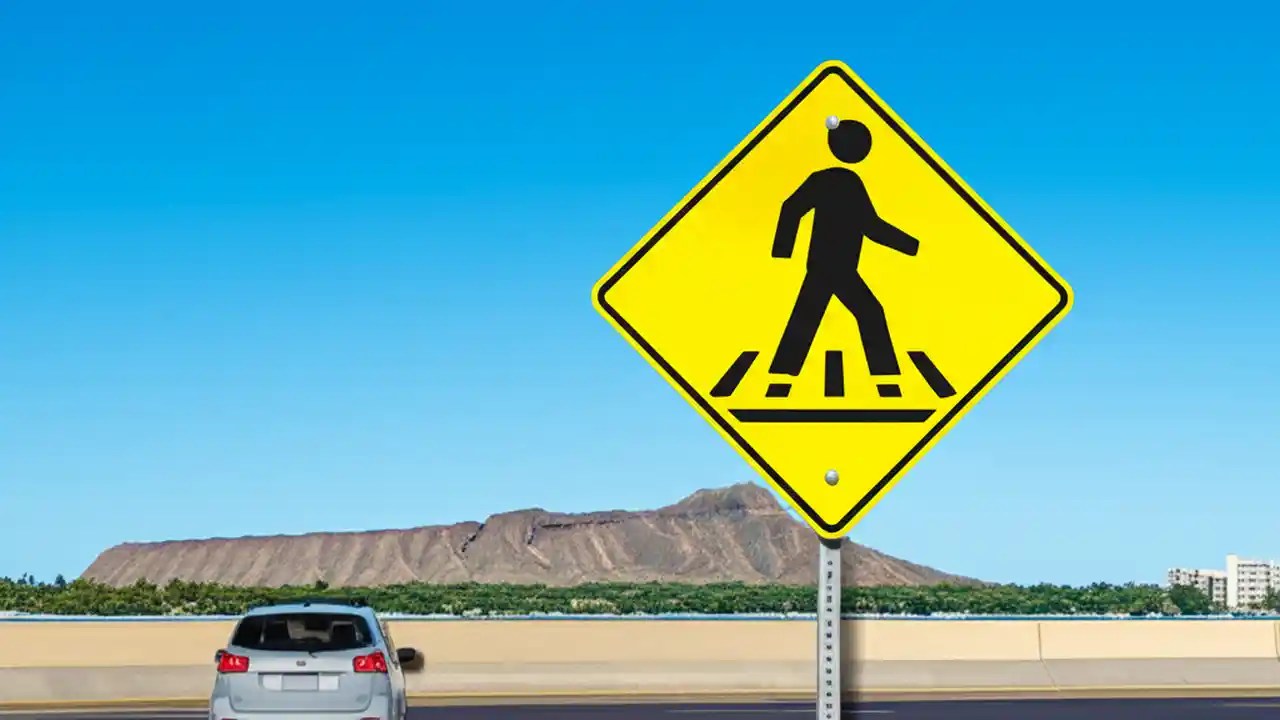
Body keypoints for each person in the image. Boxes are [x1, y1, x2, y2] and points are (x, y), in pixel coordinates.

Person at [767, 117, 921, 386]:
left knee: (808, 315)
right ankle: (885, 374)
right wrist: (911, 246)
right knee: (869, 313)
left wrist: (783, 251)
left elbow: (792, 208)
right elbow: (871, 226)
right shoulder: (847, 182)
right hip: (837, 267)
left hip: (826, 265)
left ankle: (783, 370)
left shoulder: (831, 180)